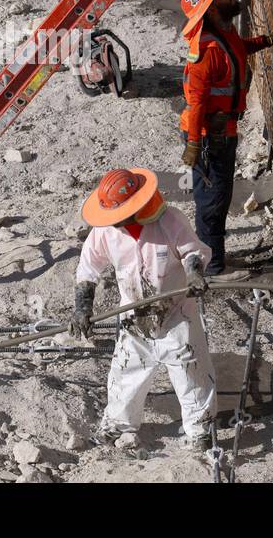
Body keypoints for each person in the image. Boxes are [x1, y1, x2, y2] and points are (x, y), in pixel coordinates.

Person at [70, 167, 216, 451]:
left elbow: (192, 252)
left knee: (191, 371)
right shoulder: (105, 232)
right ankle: (118, 424)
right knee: (126, 373)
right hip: (133, 319)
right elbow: (87, 270)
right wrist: (82, 308)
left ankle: (200, 430)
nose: (114, 222)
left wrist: (195, 274)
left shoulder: (170, 220)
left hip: (176, 313)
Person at [178, 0, 273, 275]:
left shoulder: (225, 33)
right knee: (211, 199)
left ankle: (215, 257)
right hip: (209, 136)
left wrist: (265, 41)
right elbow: (196, 102)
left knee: (220, 196)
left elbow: (238, 51)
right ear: (212, 8)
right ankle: (212, 268)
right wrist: (195, 145)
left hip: (223, 131)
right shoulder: (205, 53)